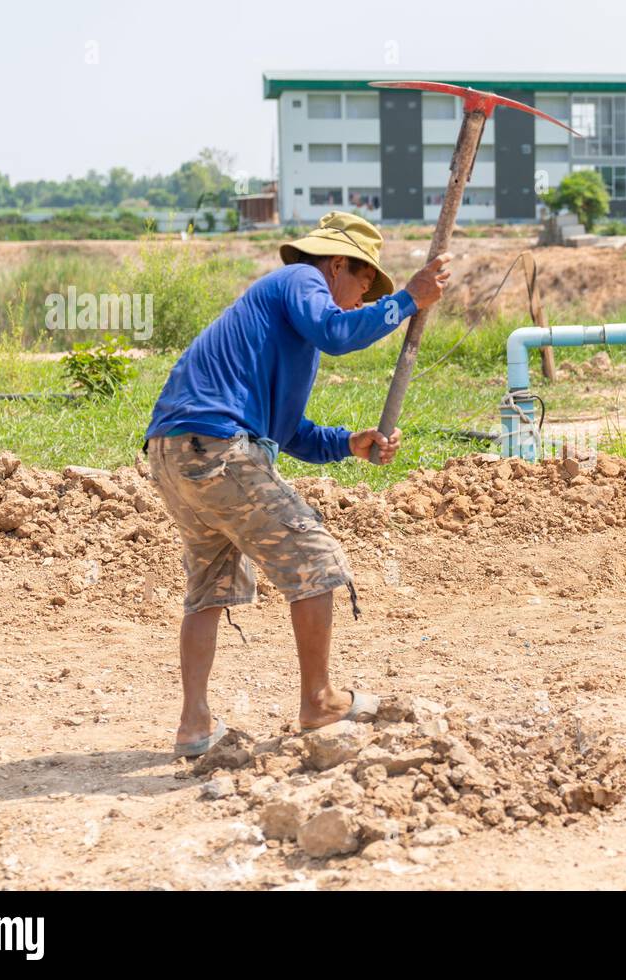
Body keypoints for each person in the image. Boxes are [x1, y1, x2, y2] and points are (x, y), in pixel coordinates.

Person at [142, 211, 451, 757]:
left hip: (173, 452)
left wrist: (346, 444)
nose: (360, 299)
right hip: (214, 446)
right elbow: (338, 333)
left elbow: (286, 433)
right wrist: (406, 300)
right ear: (337, 264)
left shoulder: (287, 330)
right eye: (362, 283)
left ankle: (193, 727)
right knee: (315, 554)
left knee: (208, 587)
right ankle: (319, 699)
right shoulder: (300, 281)